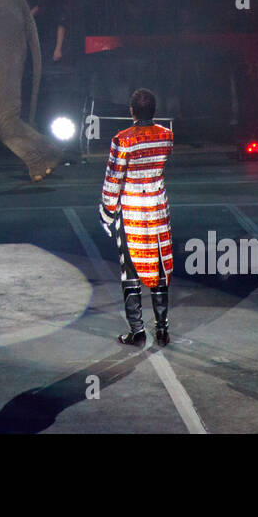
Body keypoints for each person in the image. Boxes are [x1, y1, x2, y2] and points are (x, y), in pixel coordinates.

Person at [99, 88, 175, 347]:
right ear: (154, 110)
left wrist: (107, 211)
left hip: (132, 210)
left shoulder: (122, 140)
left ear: (131, 110)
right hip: (158, 208)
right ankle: (162, 329)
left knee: (130, 270)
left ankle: (137, 331)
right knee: (160, 266)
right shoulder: (166, 136)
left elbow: (113, 179)